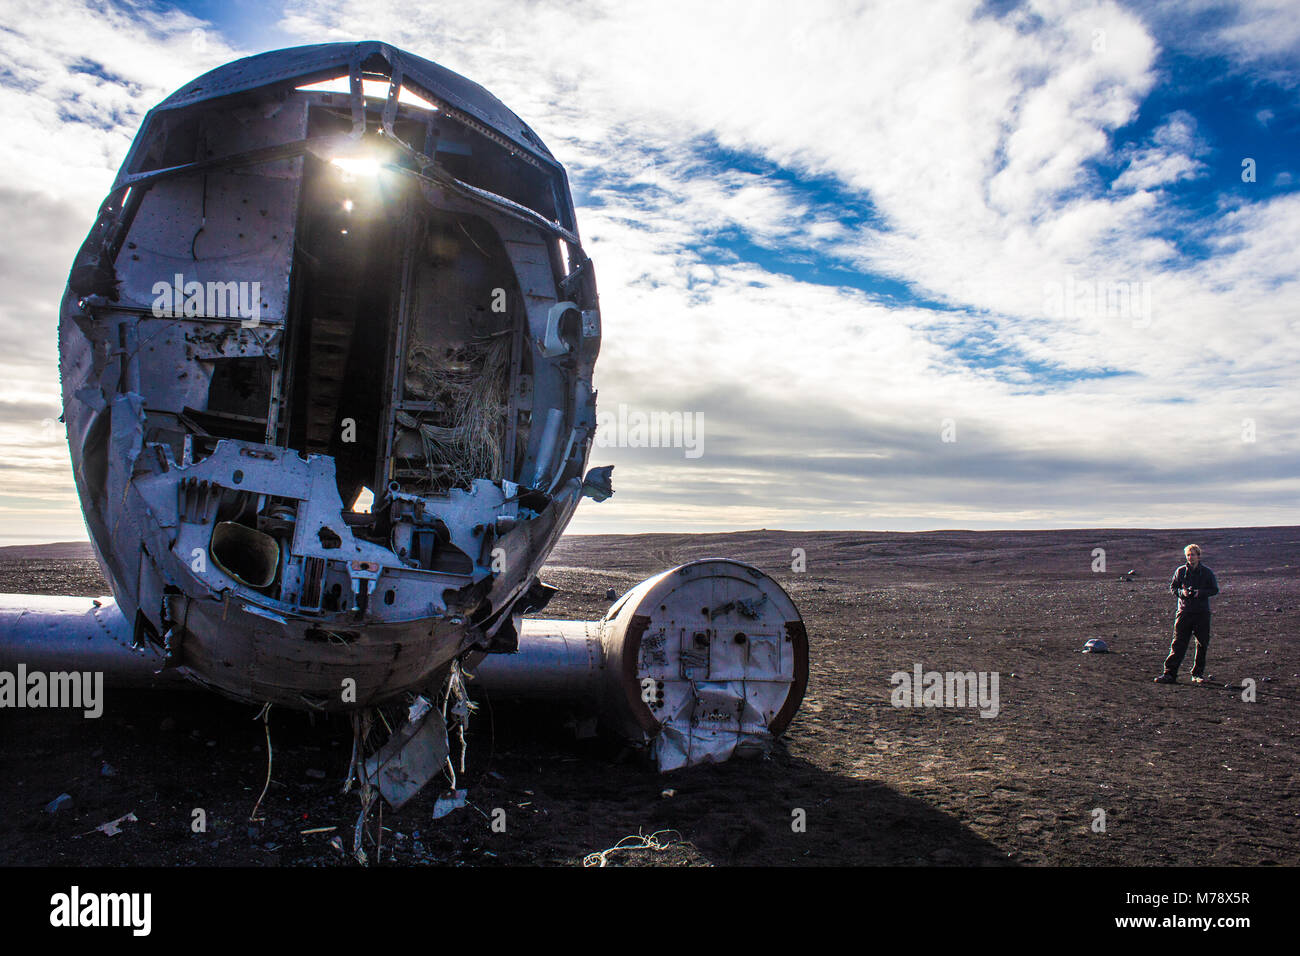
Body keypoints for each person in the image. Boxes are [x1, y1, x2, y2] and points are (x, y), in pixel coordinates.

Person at [1153, 544, 1219, 684]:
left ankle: (1197, 674)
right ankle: (1170, 674)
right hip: (1184, 612)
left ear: (1198, 556)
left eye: (1193, 554)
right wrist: (1181, 593)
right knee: (1178, 643)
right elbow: (1173, 587)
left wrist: (1199, 593)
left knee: (1202, 644)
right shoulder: (1181, 571)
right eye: (1188, 555)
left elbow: (1214, 589)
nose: (1190, 557)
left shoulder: (1207, 573)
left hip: (1201, 613)